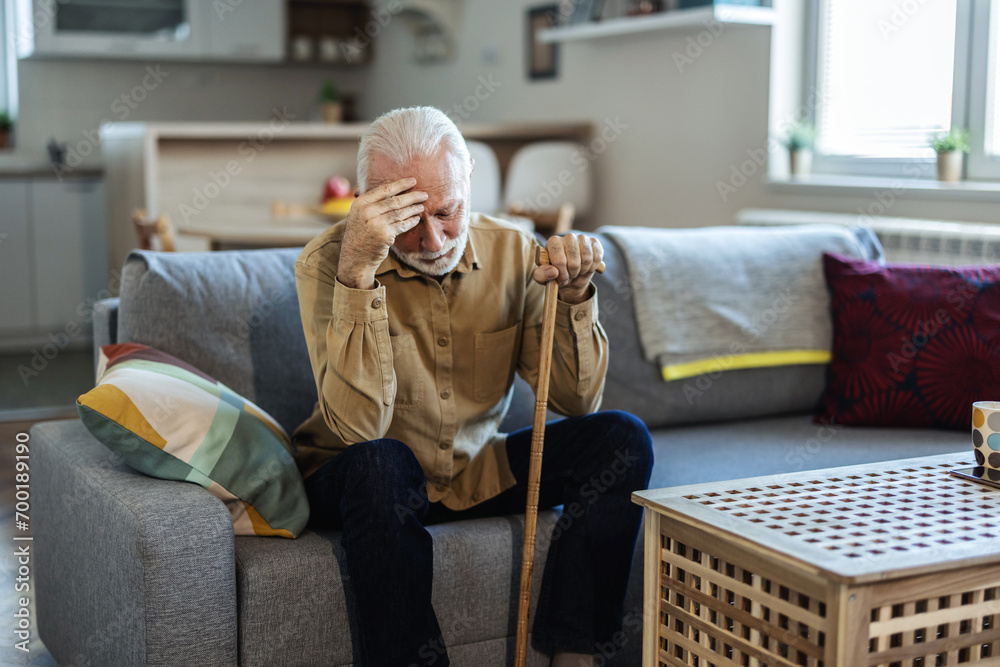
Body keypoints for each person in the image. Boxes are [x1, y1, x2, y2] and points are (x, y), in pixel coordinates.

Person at [291, 106, 653, 667]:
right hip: (360, 478)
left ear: (468, 187)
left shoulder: (516, 251)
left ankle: (576, 655)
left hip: (471, 470)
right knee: (381, 463)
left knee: (623, 439)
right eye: (408, 218)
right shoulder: (328, 263)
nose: (432, 238)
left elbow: (577, 401)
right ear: (369, 206)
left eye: (447, 212)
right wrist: (359, 273)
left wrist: (577, 299)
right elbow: (358, 428)